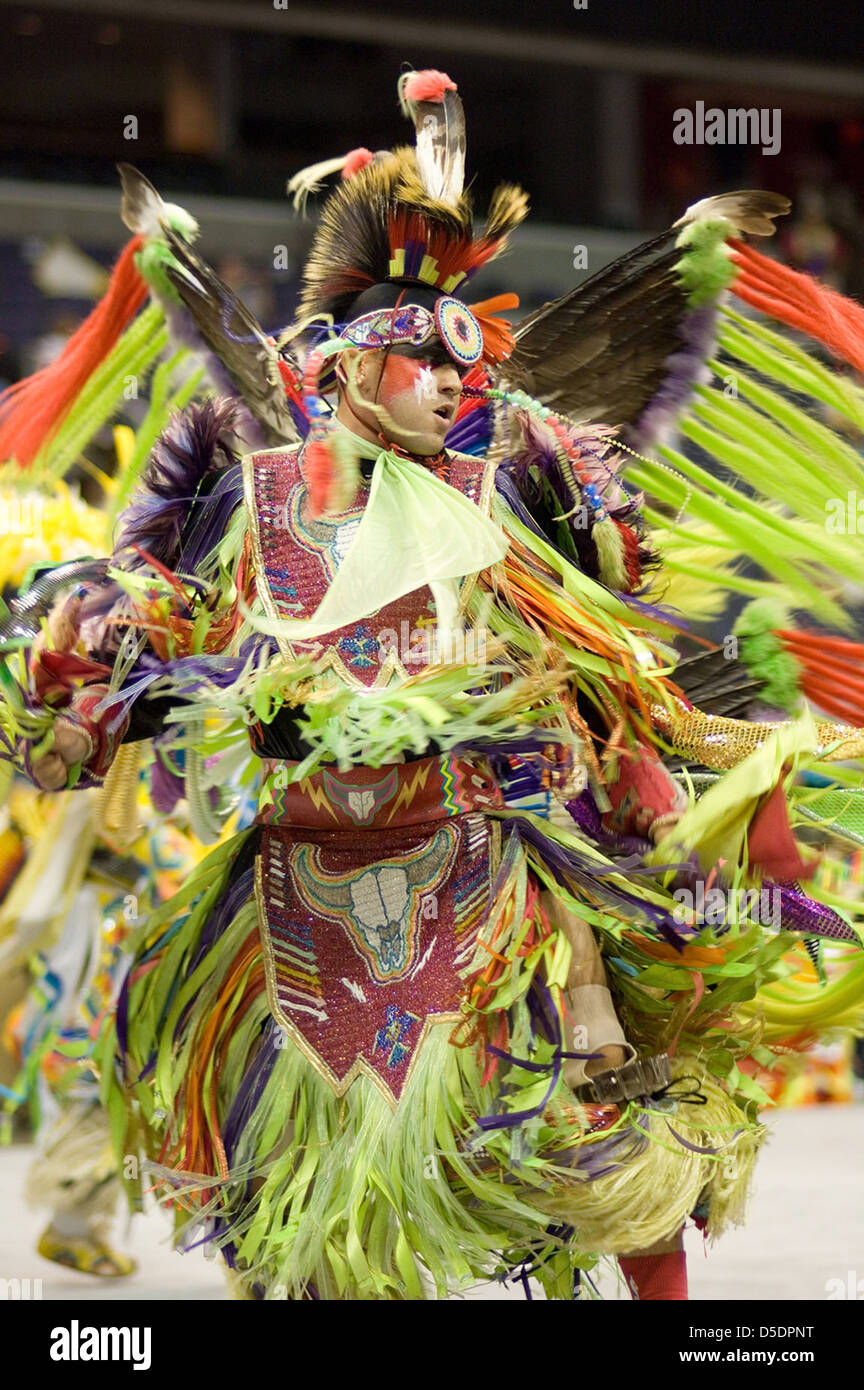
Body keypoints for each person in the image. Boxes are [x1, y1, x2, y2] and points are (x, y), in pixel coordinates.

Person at [2, 69, 863, 1302]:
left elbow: (609, 616)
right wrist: (89, 661)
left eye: (467, 362)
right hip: (301, 872)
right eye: (427, 358)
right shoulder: (258, 486)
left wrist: (579, 489)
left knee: (596, 1108)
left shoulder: (499, 481)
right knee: (297, 1169)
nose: (457, 381)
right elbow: (163, 612)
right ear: (352, 367)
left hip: (488, 858)